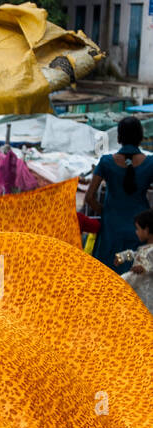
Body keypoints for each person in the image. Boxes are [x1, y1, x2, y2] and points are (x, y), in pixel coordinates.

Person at [84, 116, 153, 273]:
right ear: (141, 137)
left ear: (119, 137)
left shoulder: (106, 162)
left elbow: (89, 197)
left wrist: (107, 212)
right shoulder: (150, 163)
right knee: (136, 279)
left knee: (107, 279)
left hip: (111, 229)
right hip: (140, 229)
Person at [116, 209, 153, 311]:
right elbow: (135, 254)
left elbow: (149, 264)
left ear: (146, 230)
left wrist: (144, 268)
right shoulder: (145, 248)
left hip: (145, 292)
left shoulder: (151, 250)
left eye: (138, 229)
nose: (136, 232)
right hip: (138, 288)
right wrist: (122, 257)